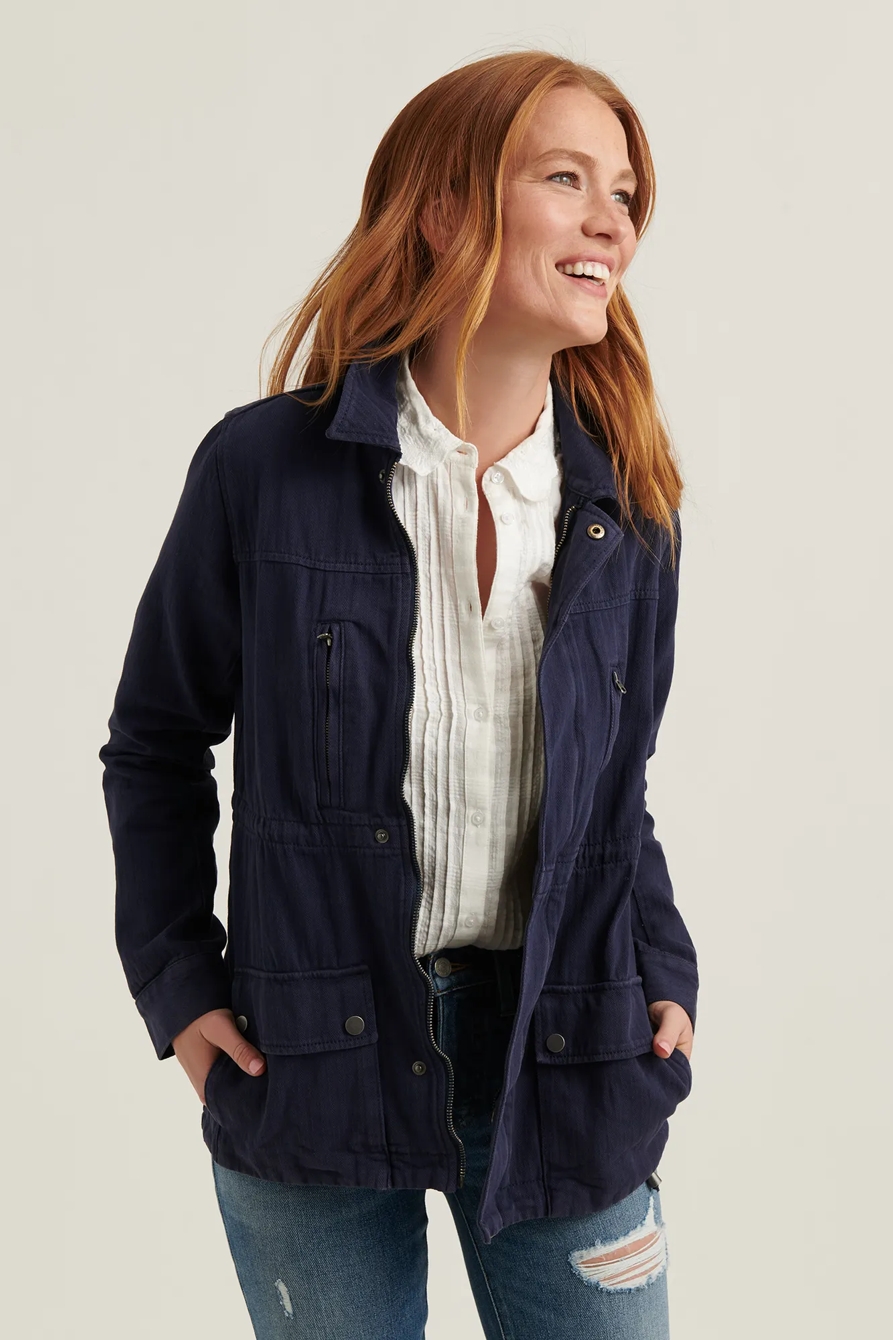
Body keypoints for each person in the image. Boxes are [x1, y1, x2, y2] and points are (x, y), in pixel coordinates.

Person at [99, 48, 699, 1340]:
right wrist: (178, 984)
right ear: (444, 209)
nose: (612, 221)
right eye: (567, 179)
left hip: (572, 1054)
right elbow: (154, 741)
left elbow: (618, 789)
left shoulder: (632, 508)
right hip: (309, 1056)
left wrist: (665, 971)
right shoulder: (263, 472)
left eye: (625, 194)